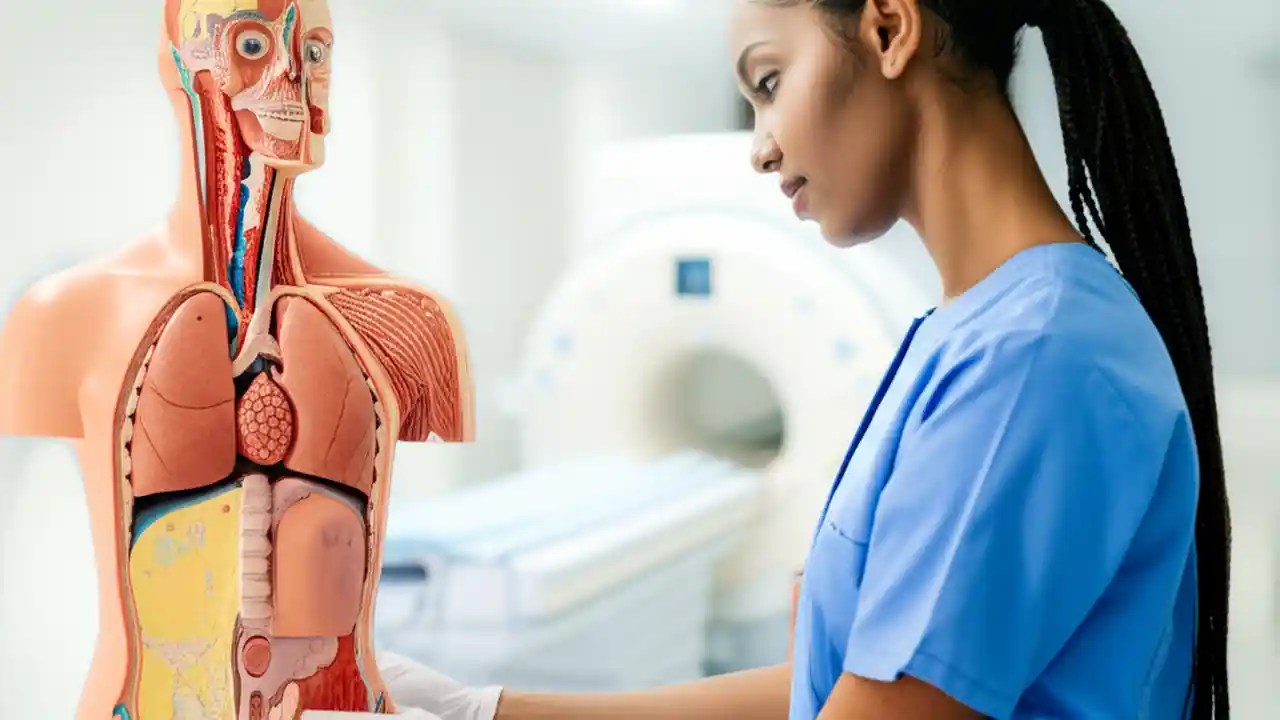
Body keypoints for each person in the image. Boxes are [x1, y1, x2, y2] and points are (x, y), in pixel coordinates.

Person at [379, 0, 1230, 718]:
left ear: (890, 31)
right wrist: (485, 709)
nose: (761, 146)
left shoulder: (1034, 357)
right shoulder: (967, 333)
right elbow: (833, 689)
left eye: (769, 83)